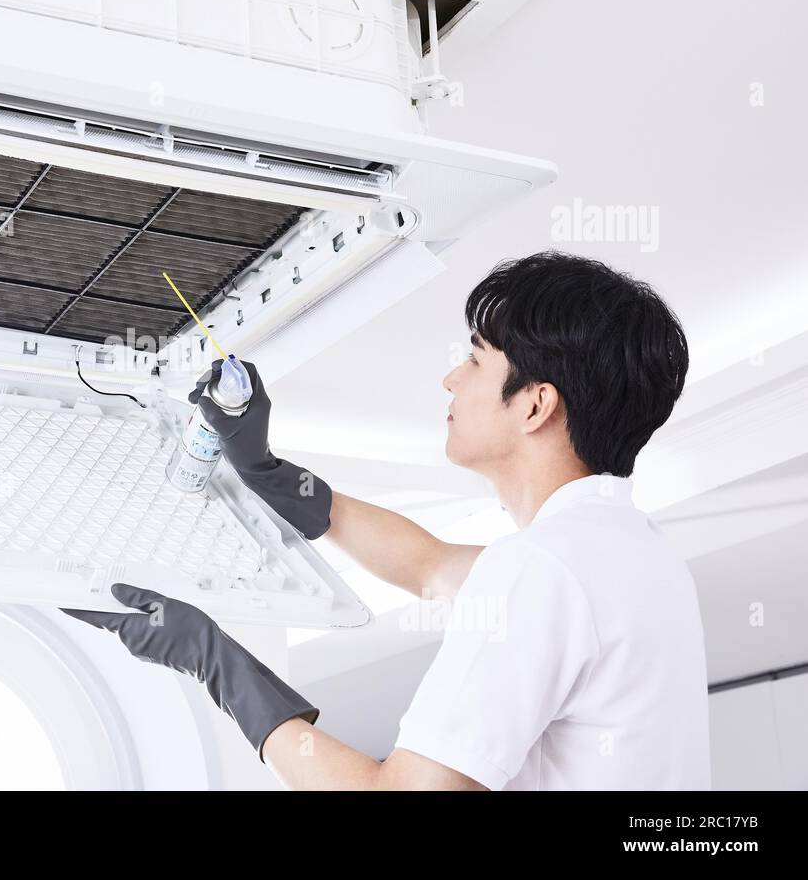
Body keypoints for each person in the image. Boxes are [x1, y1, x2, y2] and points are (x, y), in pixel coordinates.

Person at [64, 250, 711, 790]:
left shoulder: (545, 567)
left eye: (477, 360)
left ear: (536, 404)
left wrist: (217, 663)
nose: (449, 378)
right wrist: (265, 471)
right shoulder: (630, 557)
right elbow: (428, 566)